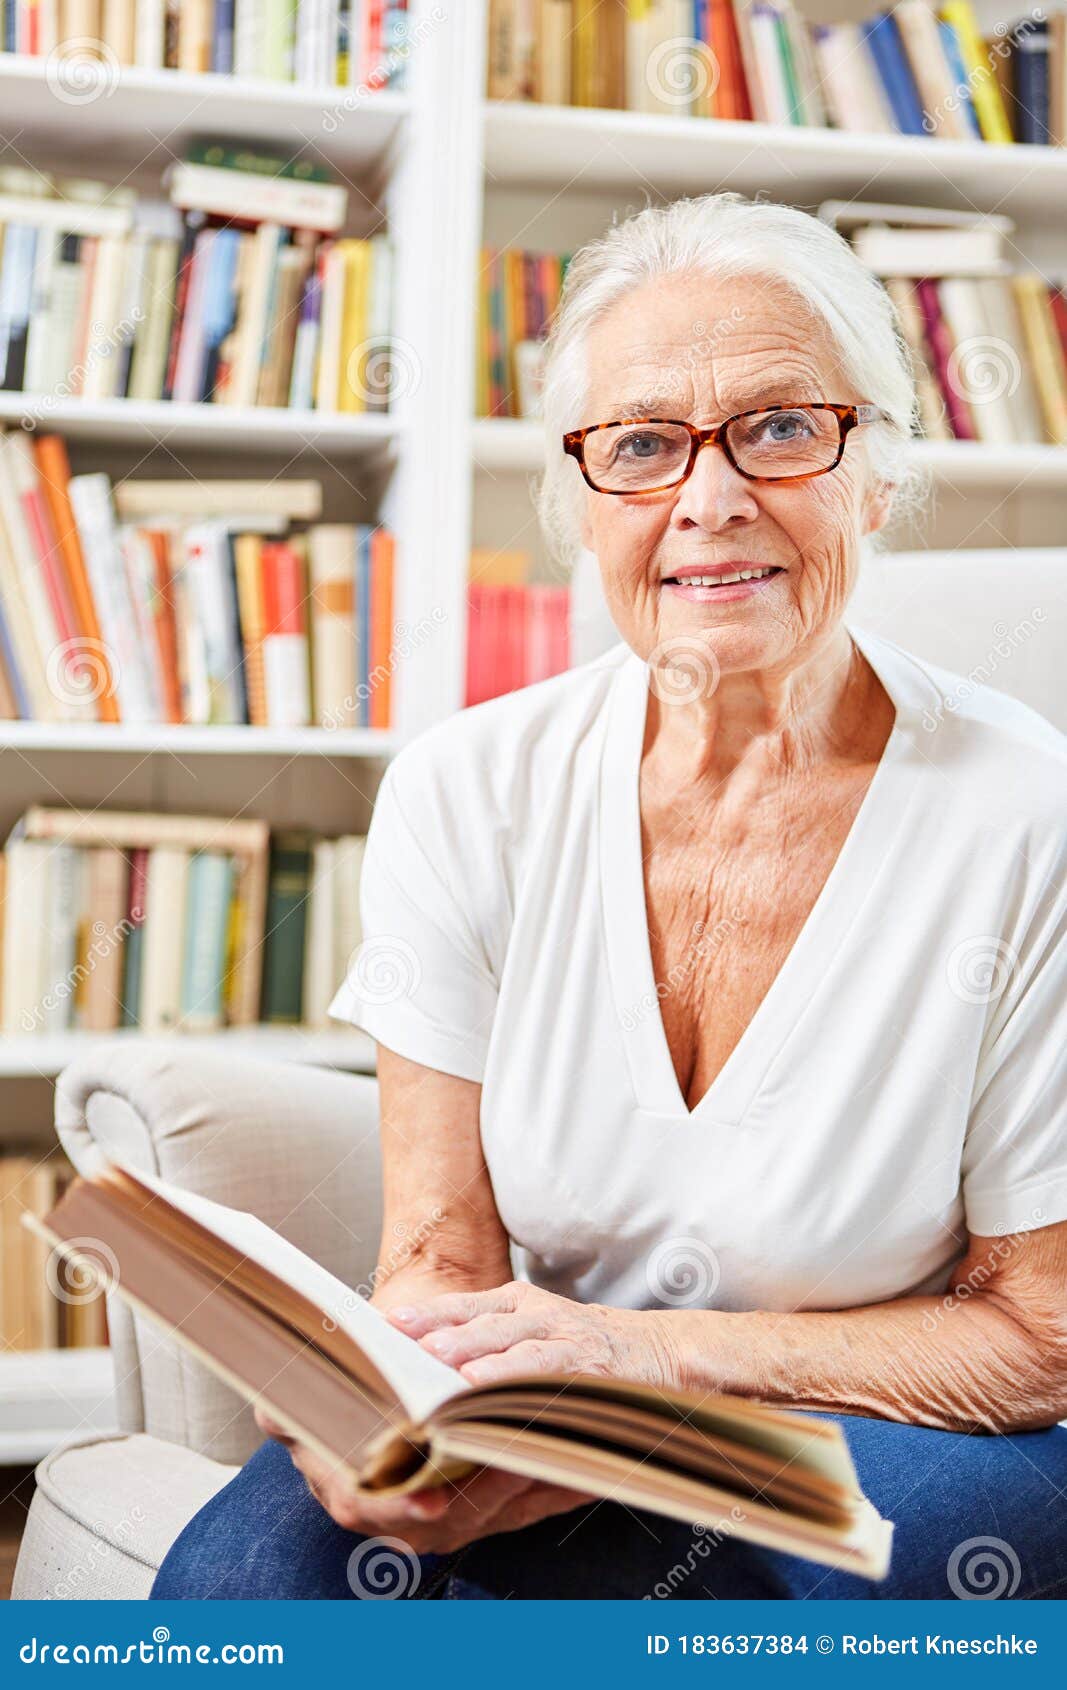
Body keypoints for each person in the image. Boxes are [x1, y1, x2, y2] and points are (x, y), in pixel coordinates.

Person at [153, 192, 1067, 1601]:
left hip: (889, 1424)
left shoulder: (1027, 811)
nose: (709, 497)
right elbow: (441, 1260)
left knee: (885, 1567)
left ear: (874, 472)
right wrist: (422, 1412)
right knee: (246, 1584)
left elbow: (1035, 1334)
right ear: (581, 504)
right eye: (641, 445)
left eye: (779, 426)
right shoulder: (467, 788)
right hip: (557, 1399)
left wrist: (645, 1361)